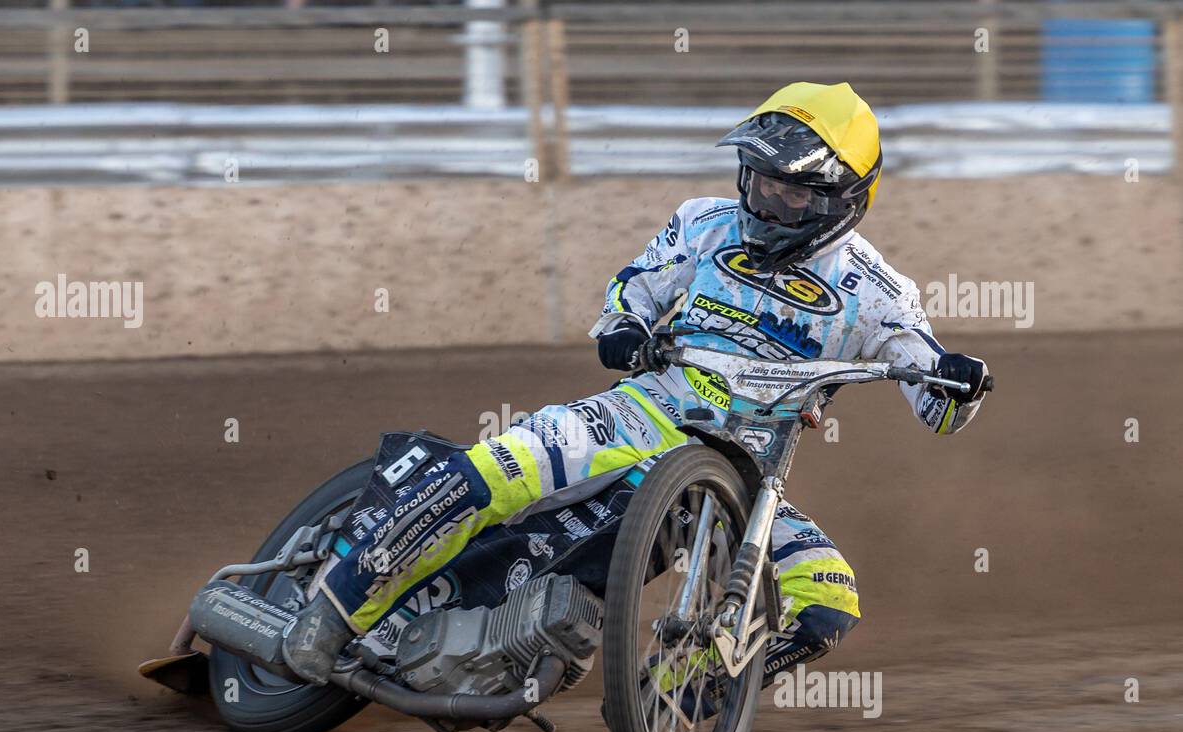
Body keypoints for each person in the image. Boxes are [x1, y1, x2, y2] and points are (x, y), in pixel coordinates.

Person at [284, 81, 990, 690]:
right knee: (498, 470)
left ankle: (681, 697)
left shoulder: (878, 293)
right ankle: (332, 610)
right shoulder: (702, 223)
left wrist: (957, 384)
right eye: (760, 180)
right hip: (638, 414)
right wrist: (623, 329)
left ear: (846, 200)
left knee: (827, 603)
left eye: (793, 194)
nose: (767, 203)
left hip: (746, 479)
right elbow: (629, 298)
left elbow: (934, 401)